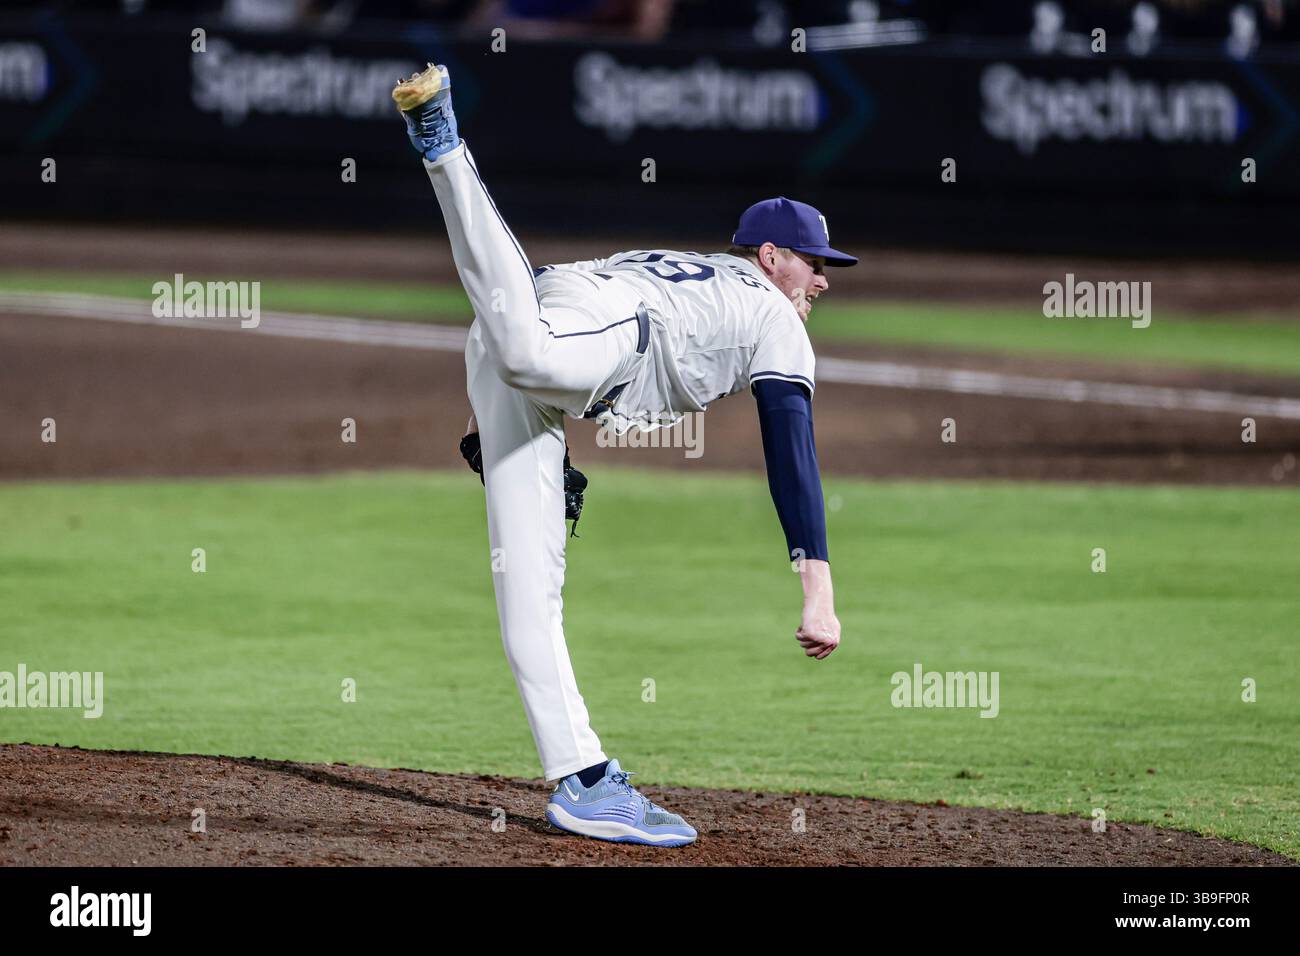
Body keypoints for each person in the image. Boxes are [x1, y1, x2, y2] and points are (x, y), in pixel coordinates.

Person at [393, 63, 852, 847]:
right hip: (600, 328)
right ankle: (443, 147)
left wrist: (487, 418)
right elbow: (792, 448)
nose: (823, 281)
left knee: (529, 583)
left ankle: (583, 781)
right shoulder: (775, 316)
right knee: (528, 351)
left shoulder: (703, 275)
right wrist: (818, 589)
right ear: (771, 256)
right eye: (816, 264)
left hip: (552, 318)